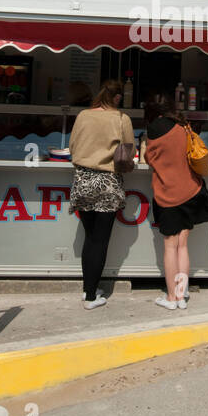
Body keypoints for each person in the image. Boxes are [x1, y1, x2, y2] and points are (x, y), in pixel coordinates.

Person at [143, 94, 208, 311]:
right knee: (183, 246)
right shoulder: (183, 126)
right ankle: (181, 295)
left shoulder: (154, 129)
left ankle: (171, 298)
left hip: (167, 194)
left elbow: (149, 158)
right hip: (190, 191)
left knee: (170, 246)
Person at [68, 79, 134, 310]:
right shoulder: (121, 118)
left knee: (90, 238)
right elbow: (128, 150)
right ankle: (90, 297)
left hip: (83, 180)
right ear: (116, 98)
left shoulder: (83, 116)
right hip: (107, 181)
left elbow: (73, 146)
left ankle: (90, 288)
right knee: (101, 240)